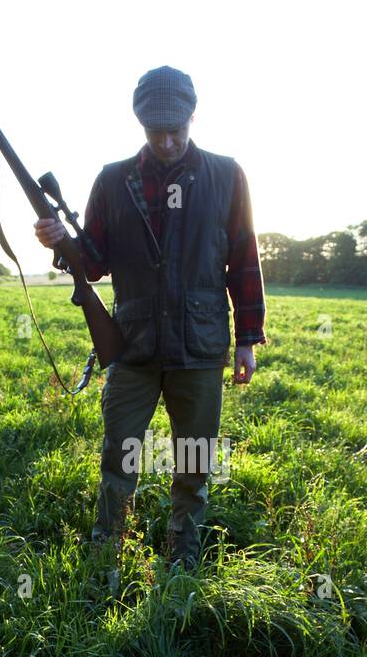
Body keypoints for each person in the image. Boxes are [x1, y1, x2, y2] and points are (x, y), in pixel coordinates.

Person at [34, 64, 266, 573]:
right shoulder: (113, 180)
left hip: (200, 346)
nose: (166, 140)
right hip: (133, 346)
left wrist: (248, 337)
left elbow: (244, 257)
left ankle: (181, 554)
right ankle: (107, 553)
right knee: (120, 455)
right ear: (140, 123)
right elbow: (92, 260)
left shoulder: (226, 175)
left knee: (195, 459)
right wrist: (59, 241)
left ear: (192, 118)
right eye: (156, 130)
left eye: (175, 129)